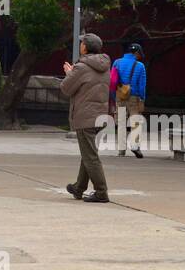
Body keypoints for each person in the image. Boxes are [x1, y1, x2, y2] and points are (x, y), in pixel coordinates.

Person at [61, 32, 112, 203]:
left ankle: (101, 192)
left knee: (90, 156)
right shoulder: (105, 65)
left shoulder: (81, 67)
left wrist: (69, 73)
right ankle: (79, 187)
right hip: (100, 115)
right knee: (88, 153)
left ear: (85, 47)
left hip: (85, 116)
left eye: (82, 42)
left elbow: (66, 88)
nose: (80, 44)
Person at [112, 42, 147, 157]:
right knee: (136, 122)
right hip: (134, 97)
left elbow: (113, 80)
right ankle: (135, 146)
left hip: (120, 95)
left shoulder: (117, 62)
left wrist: (114, 96)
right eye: (139, 54)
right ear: (136, 53)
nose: (139, 56)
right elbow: (142, 85)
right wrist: (142, 98)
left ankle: (121, 150)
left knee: (121, 122)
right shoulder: (140, 66)